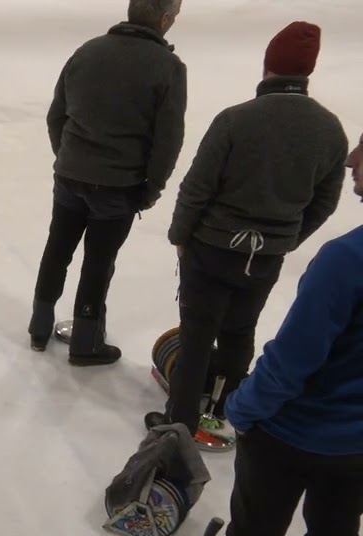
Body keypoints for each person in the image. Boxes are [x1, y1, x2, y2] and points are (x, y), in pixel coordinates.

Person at [159, 130, 363, 536]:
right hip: (355, 448)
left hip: (292, 433)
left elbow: (294, 361)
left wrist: (242, 410)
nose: (352, 159)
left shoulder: (347, 261)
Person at [144, 22, 347, 448]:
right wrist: (285, 239)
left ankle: (178, 423)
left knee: (197, 335)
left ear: (268, 64)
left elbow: (197, 187)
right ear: (307, 72)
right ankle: (222, 412)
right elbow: (324, 203)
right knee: (240, 332)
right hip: (265, 259)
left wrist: (181, 235)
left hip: (212, 249)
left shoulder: (237, 120)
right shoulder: (330, 130)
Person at [28, 0, 187, 364]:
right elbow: (168, 139)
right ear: (163, 19)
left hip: (70, 177)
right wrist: (151, 188)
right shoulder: (168, 68)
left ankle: (39, 326)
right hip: (118, 187)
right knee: (99, 264)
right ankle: (85, 344)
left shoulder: (87, 51)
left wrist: (67, 158)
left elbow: (57, 115)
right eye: (175, 16)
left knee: (57, 250)